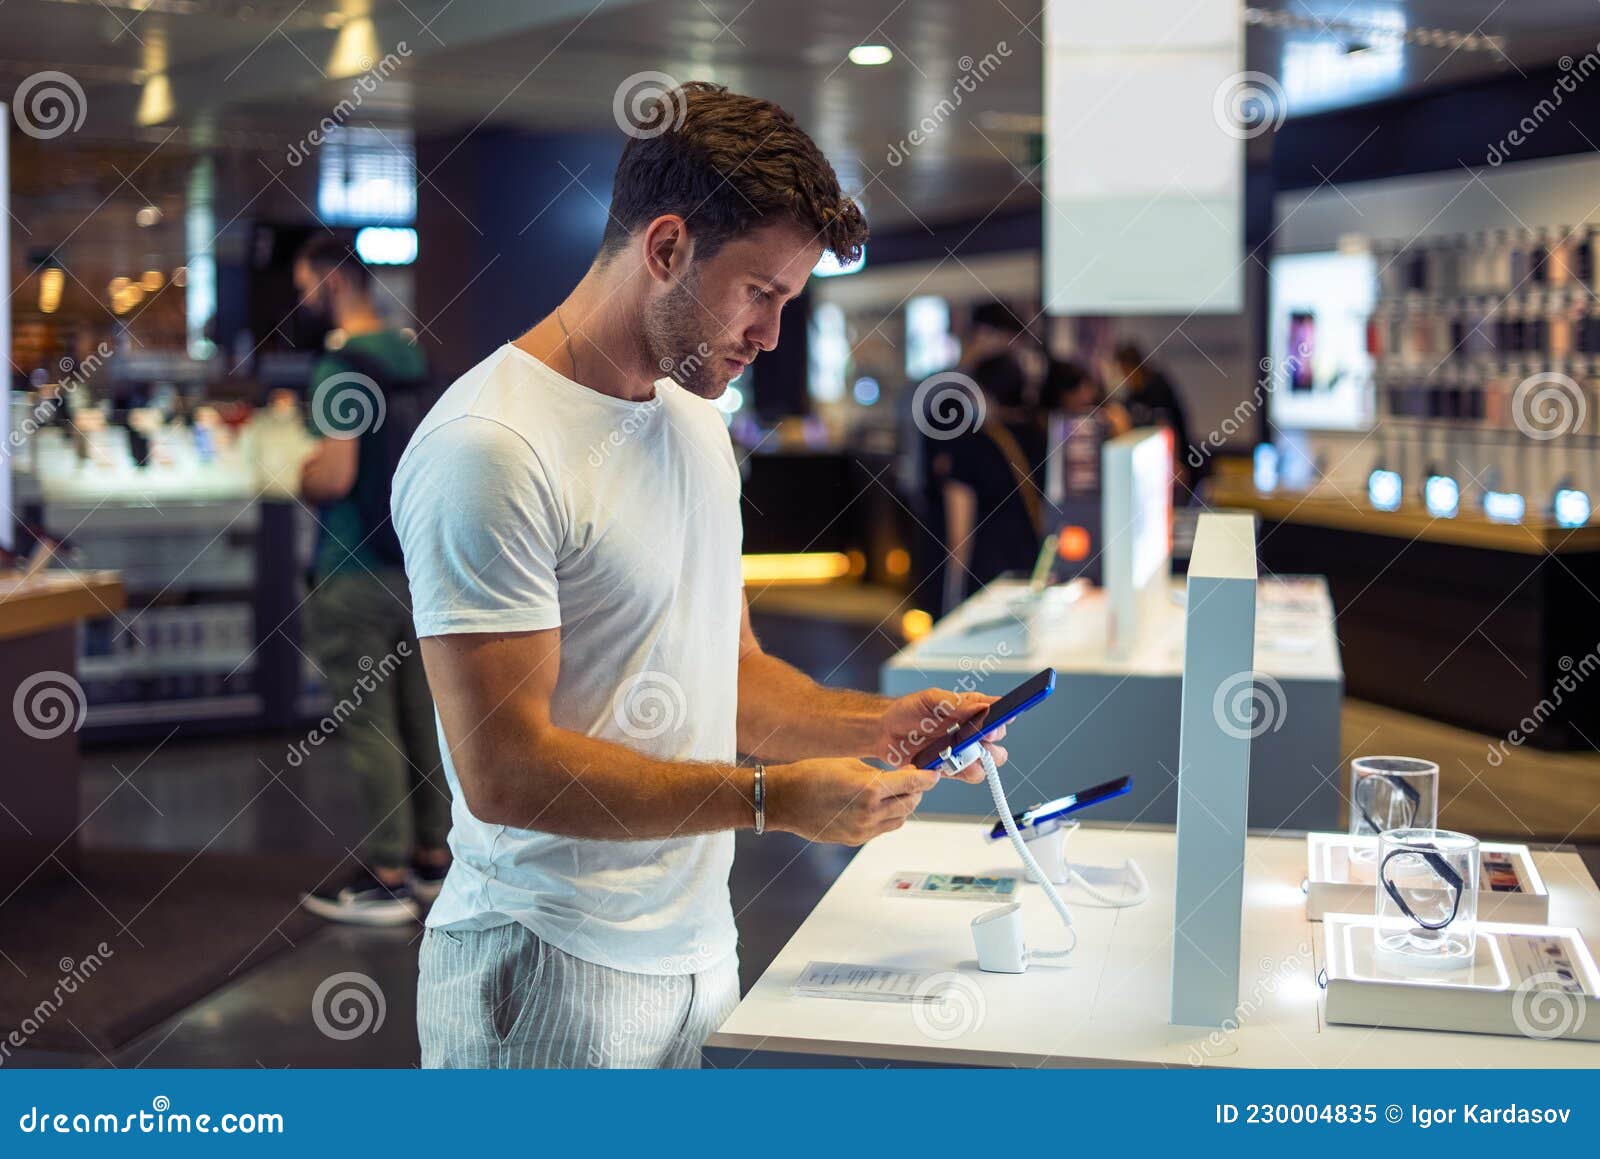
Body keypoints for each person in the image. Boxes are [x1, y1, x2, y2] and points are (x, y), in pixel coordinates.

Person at [391, 81, 1008, 1070]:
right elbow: (505, 771)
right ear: (667, 246)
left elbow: (730, 674)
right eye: (759, 293)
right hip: (545, 960)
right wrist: (771, 802)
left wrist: (880, 726)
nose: (770, 333)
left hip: (696, 952)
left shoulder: (693, 424)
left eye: (786, 302)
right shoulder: (491, 446)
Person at [293, 237, 452, 926]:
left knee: (370, 724)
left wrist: (294, 472)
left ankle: (385, 873)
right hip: (416, 565)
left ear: (332, 282)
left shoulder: (341, 366)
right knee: (422, 715)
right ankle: (432, 861)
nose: (300, 299)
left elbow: (336, 473)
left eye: (305, 284)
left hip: (353, 566)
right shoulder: (411, 356)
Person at [933, 353, 1048, 608]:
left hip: (987, 578)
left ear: (983, 392)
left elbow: (959, 534)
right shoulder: (1043, 435)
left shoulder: (971, 445)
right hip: (1036, 569)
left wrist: (950, 595)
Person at [1110, 342, 1198, 488]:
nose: (1123, 376)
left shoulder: (1156, 386)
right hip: (1151, 463)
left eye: (1123, 369)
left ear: (1131, 366)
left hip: (1177, 459)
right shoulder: (1132, 394)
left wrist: (1173, 462)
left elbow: (1166, 426)